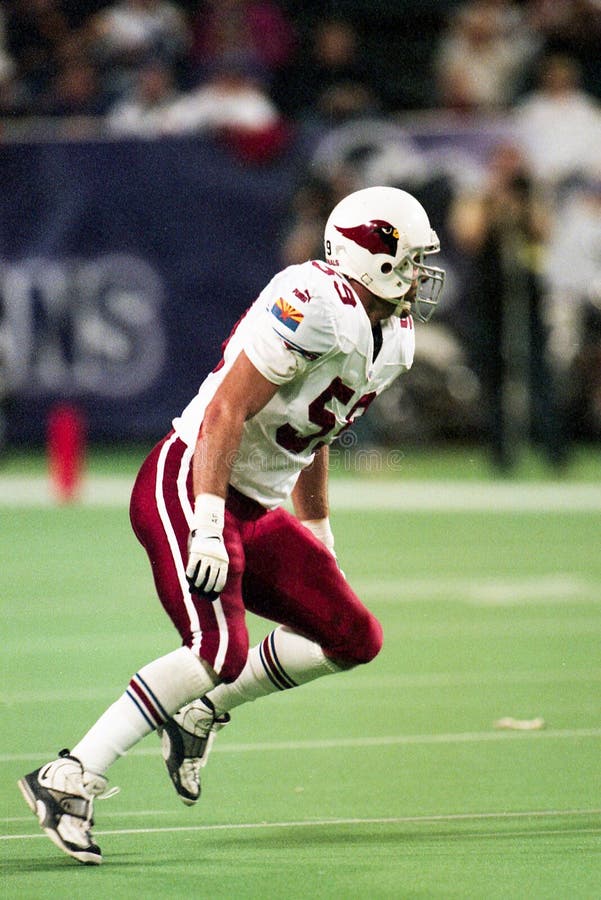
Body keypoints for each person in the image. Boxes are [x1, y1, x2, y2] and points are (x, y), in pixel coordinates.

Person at [17, 186, 445, 865]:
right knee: (217, 650)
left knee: (350, 636)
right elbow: (223, 413)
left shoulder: (392, 338)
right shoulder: (312, 303)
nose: (419, 276)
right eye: (411, 260)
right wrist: (209, 523)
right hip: (191, 477)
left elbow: (316, 430)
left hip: (256, 502)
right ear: (372, 259)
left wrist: (317, 527)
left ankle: (202, 711)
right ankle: (67, 777)